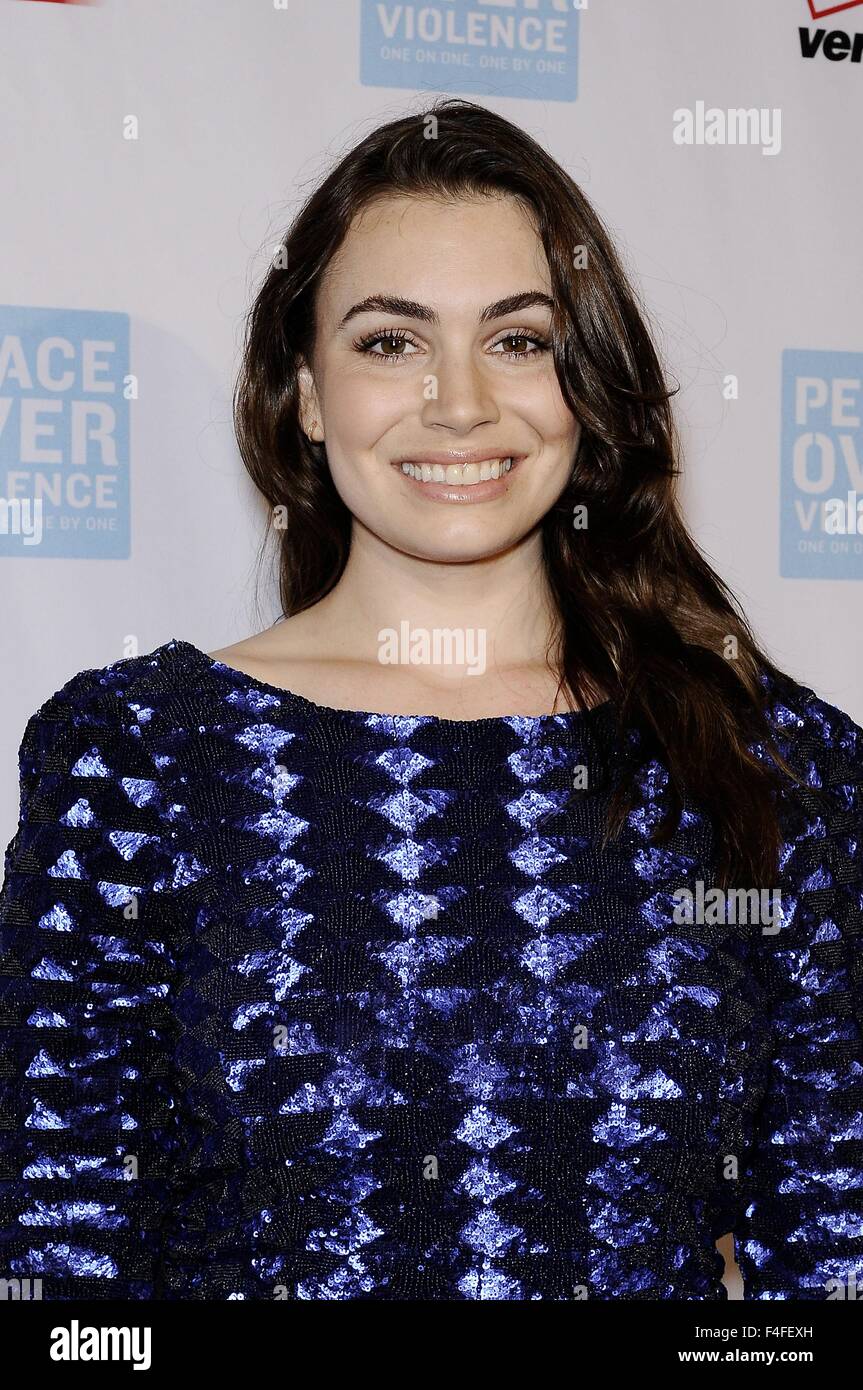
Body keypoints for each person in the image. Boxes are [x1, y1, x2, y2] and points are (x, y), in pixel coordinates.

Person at [1, 99, 861, 1301]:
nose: (459, 403)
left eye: (516, 340)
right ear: (304, 392)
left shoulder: (773, 762)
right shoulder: (140, 760)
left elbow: (831, 1258)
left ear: (588, 386)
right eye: (389, 341)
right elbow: (57, 1275)